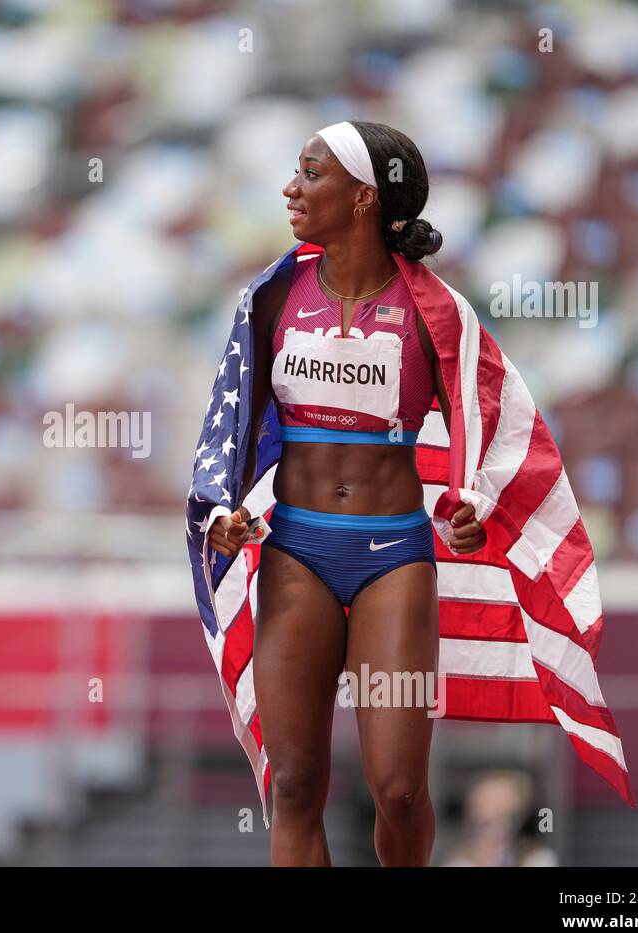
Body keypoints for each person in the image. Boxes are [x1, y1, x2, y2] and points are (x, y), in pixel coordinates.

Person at [206, 121, 485, 866]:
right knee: (293, 785)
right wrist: (226, 514)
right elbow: (234, 425)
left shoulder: (437, 312)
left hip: (393, 554)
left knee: (396, 788)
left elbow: (478, 432)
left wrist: (470, 508)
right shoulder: (271, 296)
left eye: (310, 173)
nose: (290, 188)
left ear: (363, 198)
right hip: (296, 547)